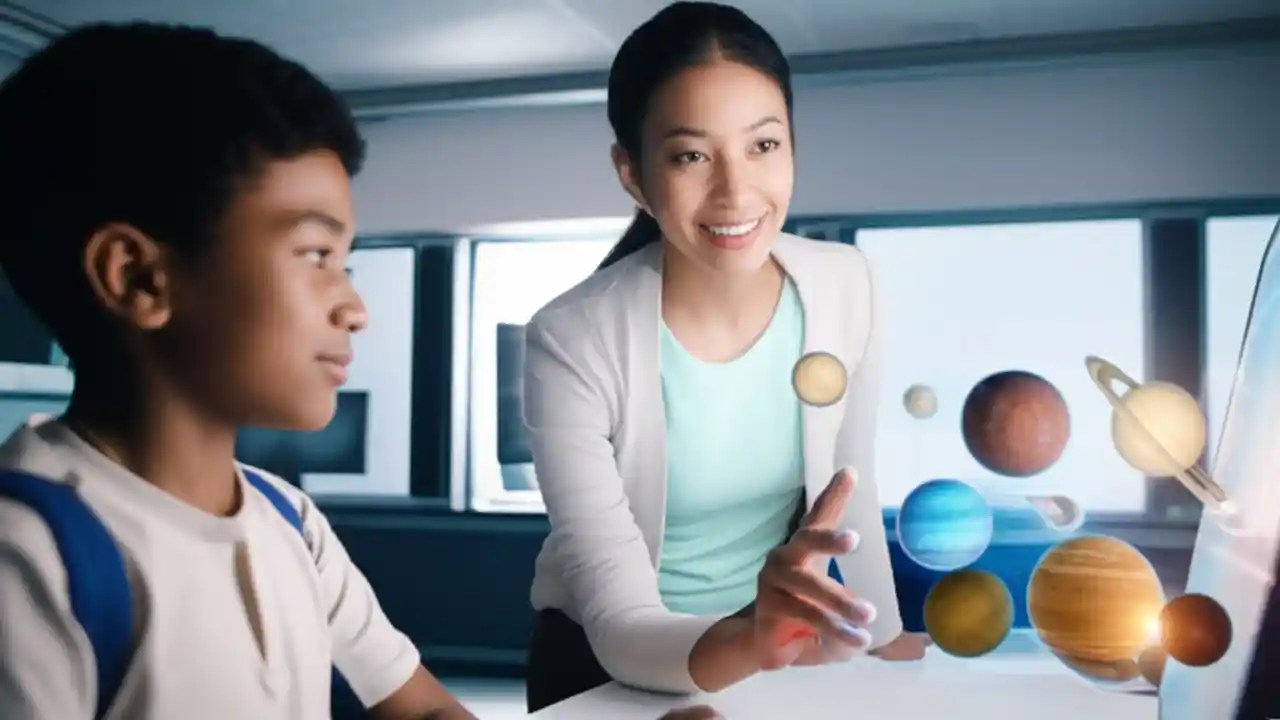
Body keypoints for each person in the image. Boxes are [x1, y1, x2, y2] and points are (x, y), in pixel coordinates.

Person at [0, 23, 476, 720]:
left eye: (348, 263)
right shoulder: (31, 558)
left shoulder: (291, 523)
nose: (355, 308)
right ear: (139, 279)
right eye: (315, 255)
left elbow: (425, 711)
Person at [522, 1, 929, 713]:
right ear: (632, 174)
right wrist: (751, 638)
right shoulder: (570, 339)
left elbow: (849, 483)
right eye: (690, 155)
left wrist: (878, 635)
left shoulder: (846, 283)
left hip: (775, 652)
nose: (736, 192)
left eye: (763, 146)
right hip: (610, 672)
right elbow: (619, 622)